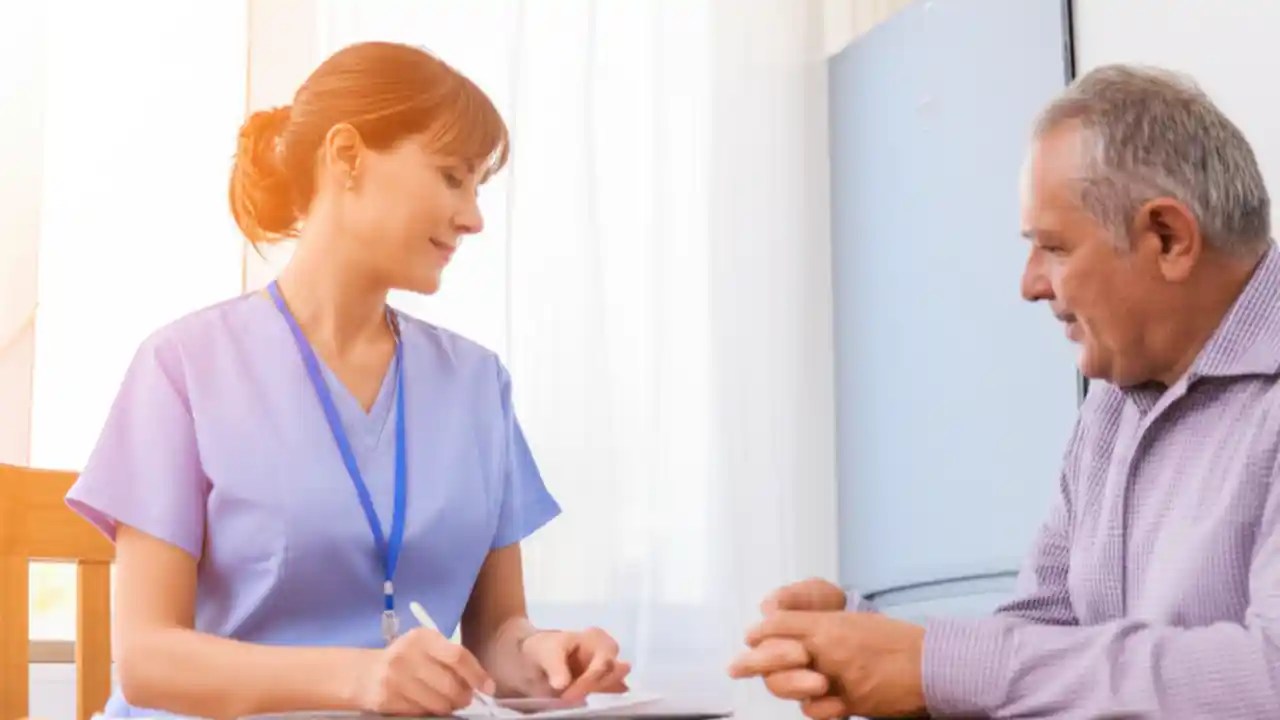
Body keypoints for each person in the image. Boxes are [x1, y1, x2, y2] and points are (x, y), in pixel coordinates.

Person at [65, 41, 629, 719]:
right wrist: (358, 678)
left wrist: (543, 653)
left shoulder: (477, 385)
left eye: (479, 187)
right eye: (452, 177)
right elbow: (148, 660)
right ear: (347, 157)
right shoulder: (183, 366)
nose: (474, 217)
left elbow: (498, 634)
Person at [730, 64, 1280, 718]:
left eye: (1052, 247)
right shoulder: (1113, 404)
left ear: (1167, 238)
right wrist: (870, 641)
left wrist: (932, 667)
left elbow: (1267, 676)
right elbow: (1043, 641)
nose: (1030, 284)